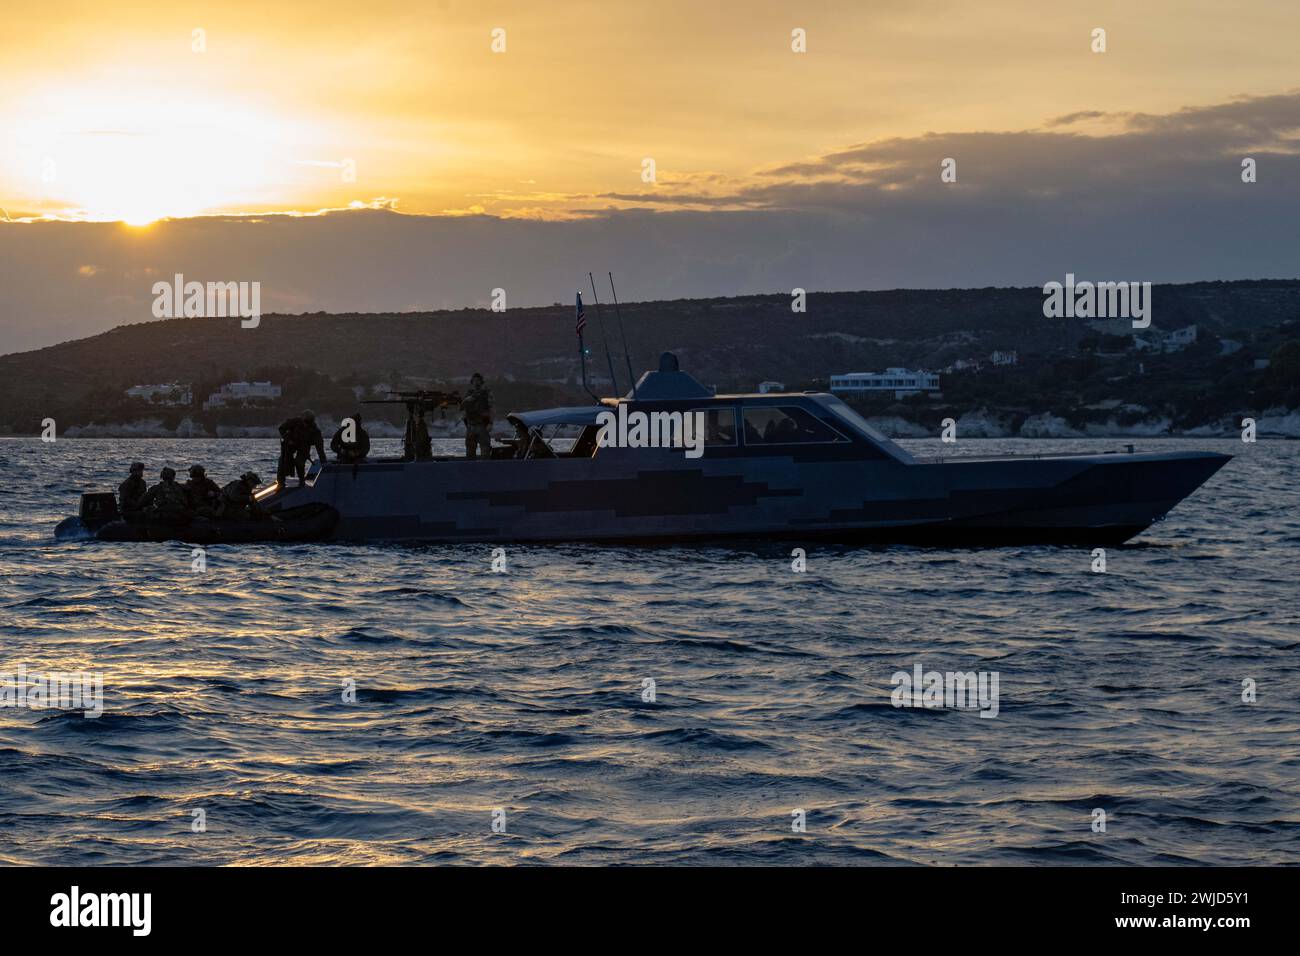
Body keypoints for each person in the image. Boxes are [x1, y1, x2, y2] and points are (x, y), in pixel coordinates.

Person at [278, 410, 326, 485]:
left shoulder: (315, 431)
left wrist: (324, 463)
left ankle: (301, 480)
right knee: (283, 460)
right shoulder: (295, 422)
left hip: (304, 447)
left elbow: (320, 448)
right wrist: (287, 438)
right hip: (290, 444)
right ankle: (281, 481)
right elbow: (281, 428)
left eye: (309, 423)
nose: (306, 424)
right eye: (305, 422)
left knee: (299, 463)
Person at [461, 372, 493, 459]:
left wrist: (490, 422)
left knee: (485, 452)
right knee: (470, 452)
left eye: (478, 380)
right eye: (474, 381)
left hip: (482, 425)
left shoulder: (486, 393)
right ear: (472, 382)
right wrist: (468, 400)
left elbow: (491, 409)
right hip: (471, 426)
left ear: (481, 382)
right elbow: (462, 407)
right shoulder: (469, 394)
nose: (476, 382)